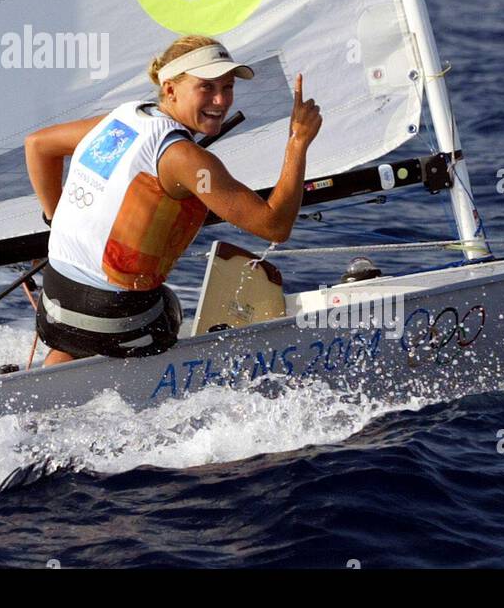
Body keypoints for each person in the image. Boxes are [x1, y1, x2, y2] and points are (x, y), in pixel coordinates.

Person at [24, 34, 323, 366]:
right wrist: (297, 143)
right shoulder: (184, 157)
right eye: (206, 87)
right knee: (167, 307)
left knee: (89, 323)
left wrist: (55, 221)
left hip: (53, 306)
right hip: (111, 319)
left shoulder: (121, 120)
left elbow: (38, 145)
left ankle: (59, 369)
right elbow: (275, 226)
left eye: (227, 87)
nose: (221, 100)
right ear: (170, 90)